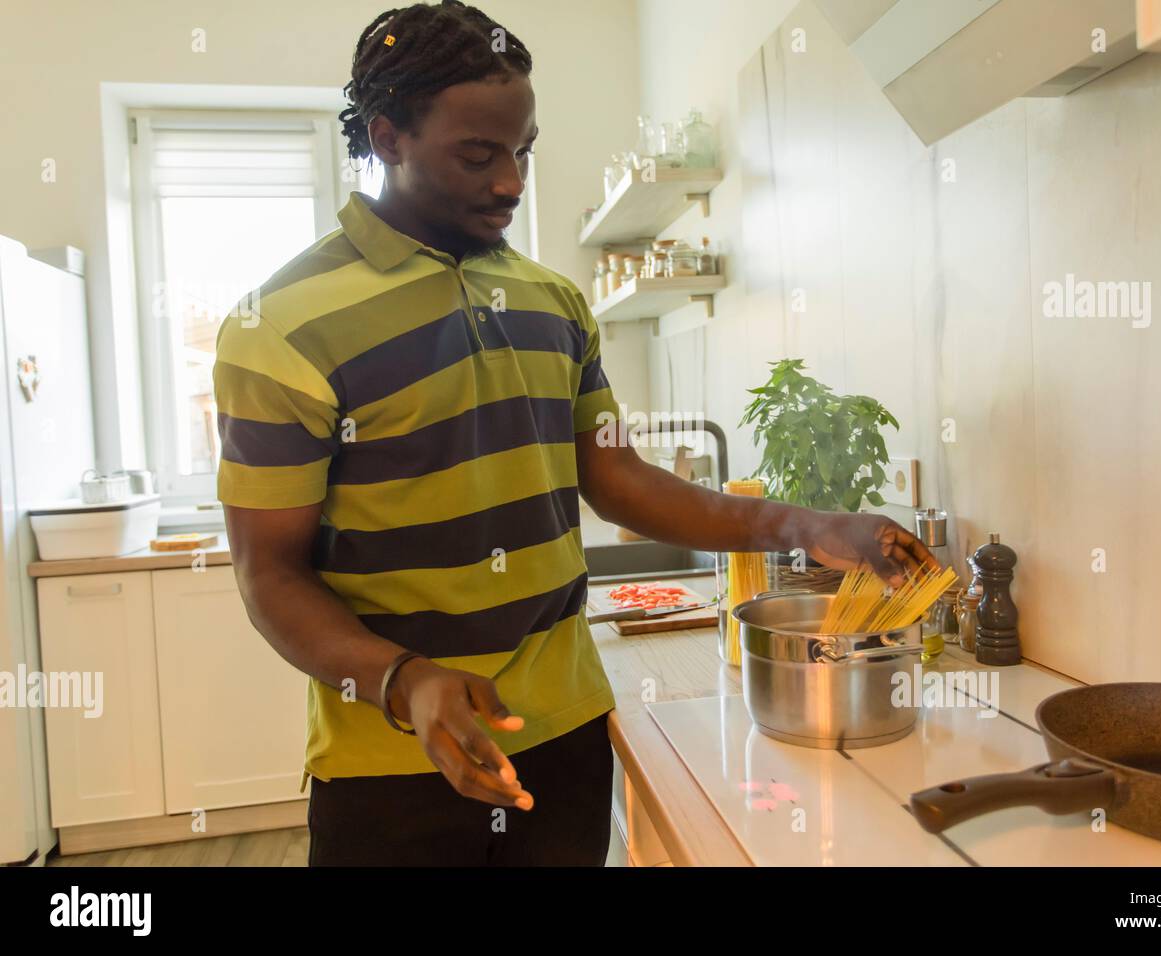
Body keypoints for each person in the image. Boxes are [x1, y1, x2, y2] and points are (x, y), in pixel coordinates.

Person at [214, 0, 935, 867]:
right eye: (478, 155)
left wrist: (803, 524)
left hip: (566, 737)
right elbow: (268, 574)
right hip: (391, 763)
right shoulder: (282, 325)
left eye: (523, 152)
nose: (511, 183)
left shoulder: (552, 302)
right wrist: (403, 683)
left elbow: (616, 479)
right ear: (389, 137)